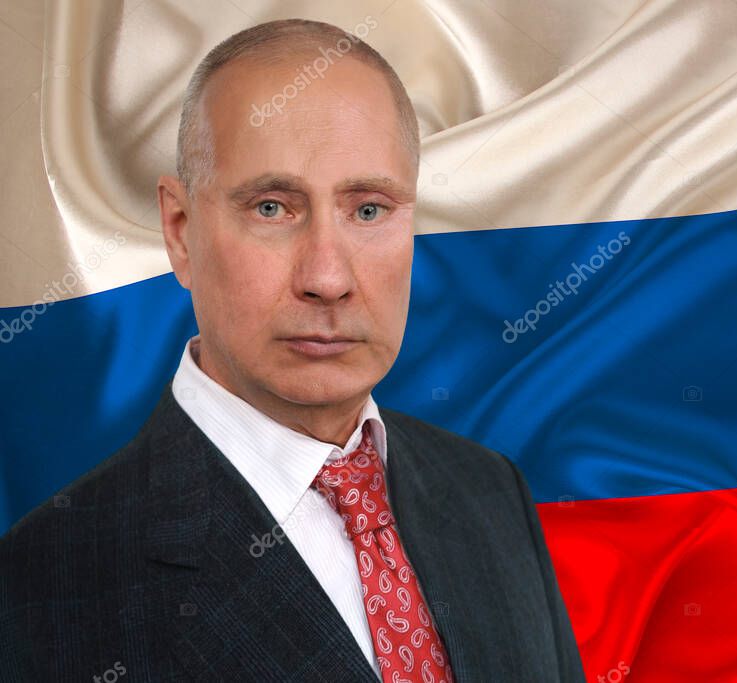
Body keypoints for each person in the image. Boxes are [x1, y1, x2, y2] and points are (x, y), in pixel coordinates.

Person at [0, 18, 585, 682]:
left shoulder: (490, 490)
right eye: (273, 208)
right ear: (181, 231)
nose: (327, 278)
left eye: (368, 210)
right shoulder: (38, 592)